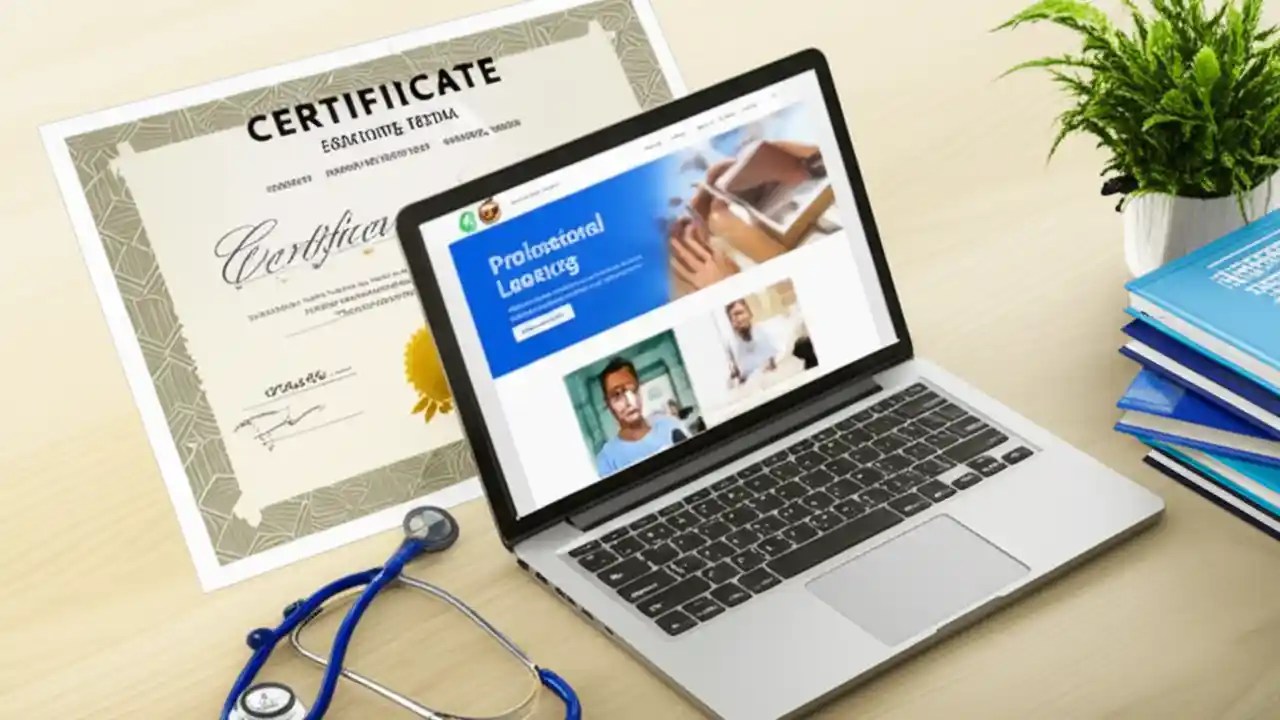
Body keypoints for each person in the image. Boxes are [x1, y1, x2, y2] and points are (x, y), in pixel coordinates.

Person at [594, 358, 688, 476]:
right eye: (617, 394)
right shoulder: (607, 459)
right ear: (608, 403)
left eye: (632, 390)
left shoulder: (670, 427)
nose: (629, 402)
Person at [724, 299, 778, 385]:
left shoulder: (765, 332)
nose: (739, 319)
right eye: (734, 317)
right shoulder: (731, 347)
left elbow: (777, 361)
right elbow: (735, 377)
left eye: (740, 313)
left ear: (749, 314)